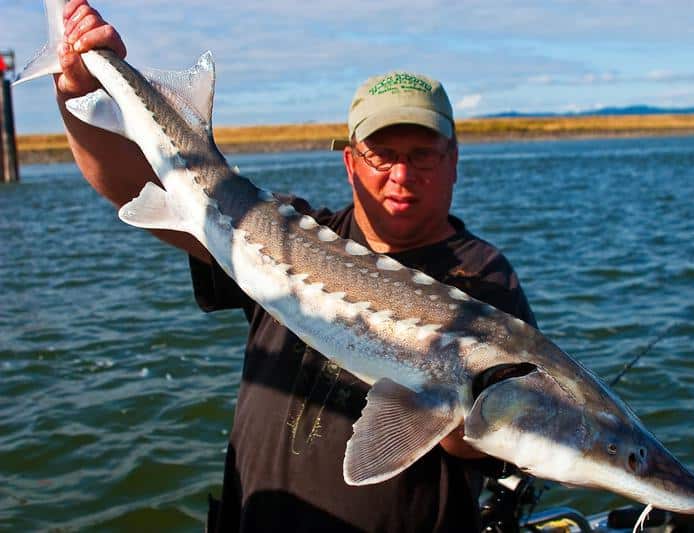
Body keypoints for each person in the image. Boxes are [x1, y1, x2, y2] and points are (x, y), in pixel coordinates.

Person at [57, 1, 537, 530]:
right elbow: (128, 184)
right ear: (350, 162)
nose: (401, 175)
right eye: (381, 154)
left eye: (422, 154)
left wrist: (457, 409)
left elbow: (496, 442)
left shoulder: (484, 279)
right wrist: (77, 89)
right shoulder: (281, 227)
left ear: (453, 160)